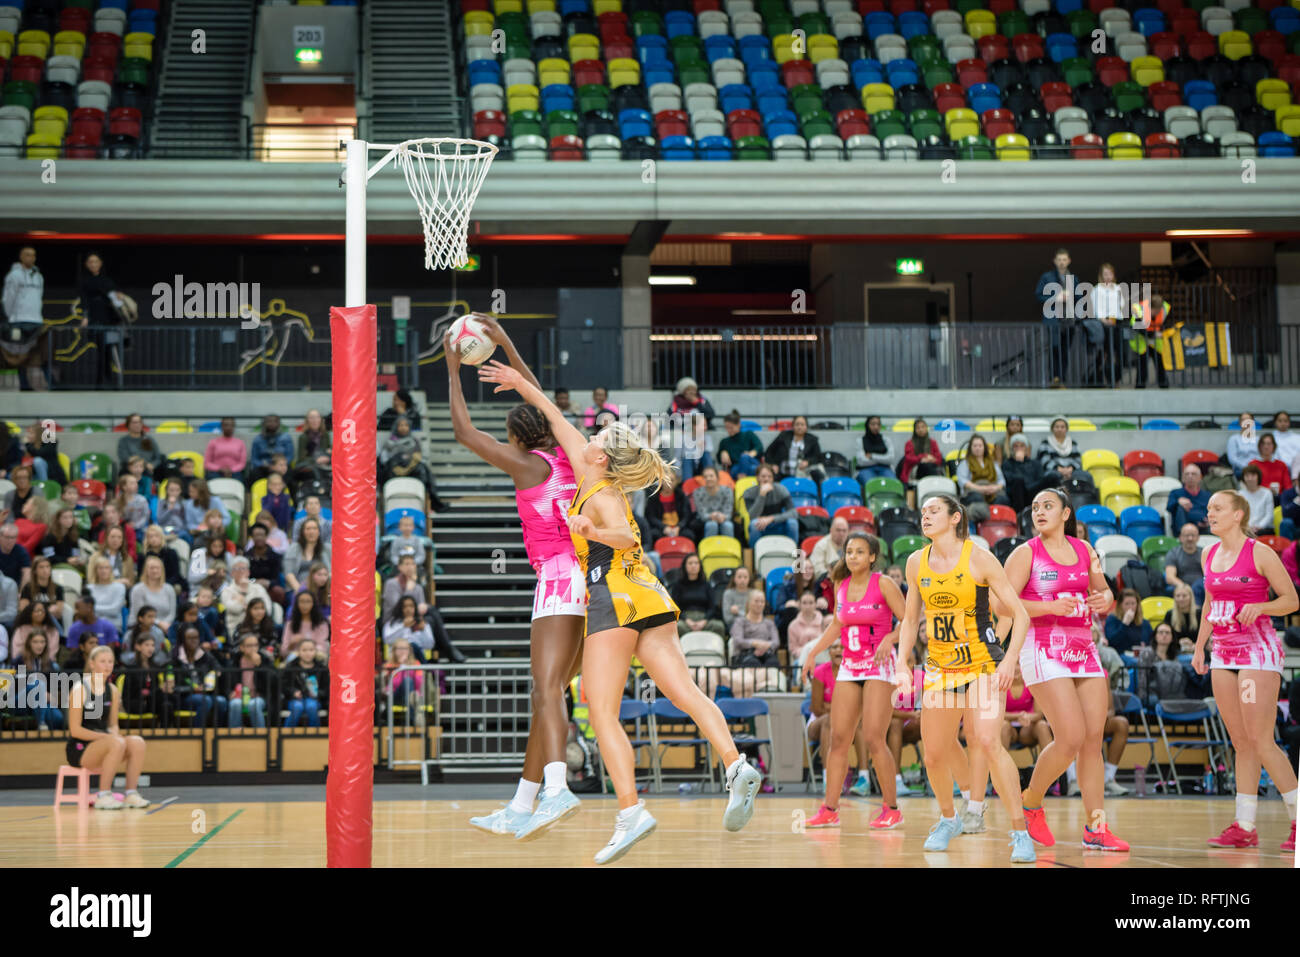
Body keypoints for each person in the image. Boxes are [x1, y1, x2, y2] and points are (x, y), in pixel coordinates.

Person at [479, 358, 763, 864]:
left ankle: (631, 812)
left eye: (600, 435)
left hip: (613, 597)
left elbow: (629, 536)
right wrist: (520, 382)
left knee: (599, 711)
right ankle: (735, 762)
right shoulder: (590, 467)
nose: (588, 433)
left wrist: (590, 532)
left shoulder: (601, 491)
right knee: (686, 692)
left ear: (602, 457)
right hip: (651, 596)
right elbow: (548, 409)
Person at [893, 493, 1036, 862]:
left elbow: (1019, 615)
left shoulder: (980, 558)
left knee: (987, 741)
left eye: (934, 511)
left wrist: (1009, 662)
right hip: (940, 669)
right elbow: (910, 620)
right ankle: (948, 818)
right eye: (922, 512)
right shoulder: (915, 562)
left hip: (983, 665)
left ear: (955, 518)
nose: (925, 516)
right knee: (935, 753)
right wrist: (902, 663)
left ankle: (1020, 832)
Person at [996, 488, 1128, 850]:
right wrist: (1049, 607)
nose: (1039, 512)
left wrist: (1107, 599)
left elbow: (1105, 594)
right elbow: (1001, 602)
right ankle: (1031, 801)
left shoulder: (1085, 550)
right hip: (1040, 646)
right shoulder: (1025, 553)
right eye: (1035, 507)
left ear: (1066, 513)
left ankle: (1096, 828)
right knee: (1069, 737)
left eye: (1048, 506)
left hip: (1083, 646)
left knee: (1091, 742)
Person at [1195, 490, 1299, 852]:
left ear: (1238, 515)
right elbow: (1209, 603)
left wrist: (1262, 606)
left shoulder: (1260, 553)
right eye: (1209, 509)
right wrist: (1198, 646)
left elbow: (1291, 600)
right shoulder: (1209, 553)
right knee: (1240, 742)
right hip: (1223, 653)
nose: (1211, 514)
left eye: (1218, 508)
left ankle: (1298, 821)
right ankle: (1245, 825)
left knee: (1261, 740)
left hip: (1258, 652)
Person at [799, 532, 908, 829]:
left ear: (872, 557)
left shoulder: (884, 583)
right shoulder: (841, 585)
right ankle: (829, 809)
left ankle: (891, 808)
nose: (853, 557)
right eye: (849, 552)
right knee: (838, 738)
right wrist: (814, 654)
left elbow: (910, 621)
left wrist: (890, 637)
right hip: (850, 665)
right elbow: (837, 624)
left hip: (879, 666)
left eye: (860, 552)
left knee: (874, 737)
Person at [65, 645, 151, 808]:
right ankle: (103, 795)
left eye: (110, 661)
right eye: (102, 661)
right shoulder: (80, 689)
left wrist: (113, 735)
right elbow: (75, 730)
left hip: (107, 744)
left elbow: (113, 725)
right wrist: (108, 738)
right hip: (80, 748)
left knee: (137, 742)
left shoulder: (112, 689)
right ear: (91, 664)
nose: (107, 665)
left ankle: (131, 793)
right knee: (116, 742)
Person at [380, 415, 451, 513]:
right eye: (401, 425)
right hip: (394, 471)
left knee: (423, 470)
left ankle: (431, 503)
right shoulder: (389, 443)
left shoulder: (415, 442)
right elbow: (384, 459)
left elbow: (421, 458)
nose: (403, 427)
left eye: (406, 425)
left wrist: (409, 466)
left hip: (413, 470)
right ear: (396, 427)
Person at [2, 246, 48, 390]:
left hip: (36, 320)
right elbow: (8, 298)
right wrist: (12, 317)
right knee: (20, 355)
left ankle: (51, 382)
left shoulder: (39, 276)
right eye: (27, 255)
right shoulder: (14, 275)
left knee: (40, 353)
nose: (31, 258)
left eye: (33, 255)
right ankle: (24, 385)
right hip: (19, 321)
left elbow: (39, 297)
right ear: (21, 257)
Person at [1034, 247, 1077, 387]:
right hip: (1053, 319)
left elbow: (1081, 297)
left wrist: (1072, 297)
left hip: (1069, 319)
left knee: (1065, 350)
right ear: (1055, 261)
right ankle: (1055, 378)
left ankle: (1062, 379)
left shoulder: (1073, 279)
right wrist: (1055, 297)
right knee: (1055, 349)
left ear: (1069, 261)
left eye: (1064, 260)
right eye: (1059, 260)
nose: (1062, 262)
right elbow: (1038, 295)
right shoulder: (1047, 277)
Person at [955, 433, 1010, 526]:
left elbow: (1001, 481)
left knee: (1003, 499)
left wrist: (994, 488)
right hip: (973, 492)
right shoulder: (965, 463)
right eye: (975, 446)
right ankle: (981, 527)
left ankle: (996, 526)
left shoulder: (993, 463)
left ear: (984, 447)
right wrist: (981, 489)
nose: (977, 448)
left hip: (992, 491)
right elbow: (963, 482)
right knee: (978, 498)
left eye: (980, 445)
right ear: (970, 448)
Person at [224, 632, 274, 729]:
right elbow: (226, 682)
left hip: (259, 696)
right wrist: (230, 693)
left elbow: (273, 681)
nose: (253, 648)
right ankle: (234, 735)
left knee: (253, 705)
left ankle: (261, 735)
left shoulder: (264, 659)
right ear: (241, 648)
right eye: (249, 645)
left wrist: (261, 666)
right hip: (240, 696)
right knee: (235, 704)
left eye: (255, 645)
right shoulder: (235, 661)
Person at [1089, 262, 1126, 387]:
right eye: (1105, 274)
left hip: (1116, 323)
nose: (1108, 276)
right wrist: (1104, 319)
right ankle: (1103, 380)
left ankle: (1116, 380)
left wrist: (1115, 317)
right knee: (1105, 353)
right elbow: (1094, 308)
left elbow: (1121, 306)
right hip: (1102, 325)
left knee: (1118, 353)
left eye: (1110, 274)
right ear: (1101, 275)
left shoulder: (1118, 288)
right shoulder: (1096, 289)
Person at [742, 463, 799, 543]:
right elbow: (752, 516)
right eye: (763, 476)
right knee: (754, 524)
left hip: (778, 523)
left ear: (773, 478)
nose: (766, 479)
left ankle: (794, 553)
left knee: (792, 523)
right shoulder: (749, 493)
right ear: (757, 477)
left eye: (769, 476)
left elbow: (794, 513)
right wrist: (762, 495)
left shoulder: (781, 490)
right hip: (761, 525)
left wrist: (771, 518)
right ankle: (754, 553)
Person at [219, 557, 272, 639]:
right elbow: (234, 609)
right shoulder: (227, 591)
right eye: (237, 569)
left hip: (260, 627)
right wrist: (244, 593)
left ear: (248, 572)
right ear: (232, 573)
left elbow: (267, 608)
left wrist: (242, 600)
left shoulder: (258, 588)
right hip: (238, 628)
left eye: (243, 568)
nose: (241, 571)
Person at [670, 554, 724, 635]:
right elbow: (675, 607)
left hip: (704, 618)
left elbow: (712, 607)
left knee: (719, 627)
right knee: (678, 627)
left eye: (696, 563)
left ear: (700, 566)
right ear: (685, 566)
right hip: (685, 620)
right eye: (690, 563)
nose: (693, 566)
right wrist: (687, 620)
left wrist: (704, 621)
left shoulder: (707, 585)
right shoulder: (678, 586)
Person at [282, 637, 328, 728]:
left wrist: (317, 694)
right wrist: (293, 692)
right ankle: (286, 735)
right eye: (304, 650)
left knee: (311, 706)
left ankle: (314, 736)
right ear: (298, 651)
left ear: (315, 651)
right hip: (294, 699)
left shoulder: (322, 668)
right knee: (297, 707)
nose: (308, 653)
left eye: (311, 650)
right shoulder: (290, 667)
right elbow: (283, 685)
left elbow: (326, 688)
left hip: (315, 699)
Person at [1129, 291, 1171, 389]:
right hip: (1142, 341)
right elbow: (1136, 327)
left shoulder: (1165, 308)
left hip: (1155, 342)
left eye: (1158, 311)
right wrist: (1153, 334)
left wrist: (1164, 332)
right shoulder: (1139, 309)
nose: (1156, 313)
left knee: (1160, 364)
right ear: (1150, 307)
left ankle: (1164, 386)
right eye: (1154, 311)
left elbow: (1167, 323)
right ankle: (1140, 387)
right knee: (1142, 366)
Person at [729, 589, 780, 667]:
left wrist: (765, 645)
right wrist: (754, 643)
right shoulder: (740, 622)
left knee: (773, 663)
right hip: (744, 655)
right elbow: (738, 641)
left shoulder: (769, 623)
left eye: (762, 601)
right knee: (753, 664)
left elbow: (776, 642)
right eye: (756, 601)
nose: (759, 604)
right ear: (749, 603)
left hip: (766, 653)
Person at [644, 469, 695, 544]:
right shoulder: (654, 497)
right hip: (661, 528)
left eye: (672, 480)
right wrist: (664, 527)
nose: (669, 483)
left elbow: (686, 516)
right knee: (653, 535)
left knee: (689, 535)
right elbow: (651, 517)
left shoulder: (681, 496)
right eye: (666, 480)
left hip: (678, 528)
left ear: (677, 481)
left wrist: (679, 527)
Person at [128, 555, 176, 630]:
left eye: (157, 568)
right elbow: (140, 613)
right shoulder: (138, 589)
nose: (155, 571)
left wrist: (165, 624)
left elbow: (172, 614)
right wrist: (159, 623)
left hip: (166, 627)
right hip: (141, 627)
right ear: (146, 570)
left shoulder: (169, 589)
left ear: (162, 570)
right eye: (151, 568)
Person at [244, 522, 285, 606]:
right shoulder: (247, 556)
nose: (259, 538)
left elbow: (277, 578)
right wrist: (255, 582)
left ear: (266, 536)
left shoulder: (274, 556)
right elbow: (244, 577)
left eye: (262, 535)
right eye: (256, 535)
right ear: (252, 537)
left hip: (269, 586)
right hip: (251, 586)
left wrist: (268, 582)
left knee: (278, 591)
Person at [136, 524, 184, 595]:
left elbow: (176, 574)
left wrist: (162, 585)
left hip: (168, 583)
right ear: (147, 539)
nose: (154, 539)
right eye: (151, 536)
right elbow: (141, 575)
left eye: (156, 536)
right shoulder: (142, 556)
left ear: (161, 537)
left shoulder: (171, 553)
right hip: (148, 584)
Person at [281, 589, 329, 660]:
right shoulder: (290, 624)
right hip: (295, 660)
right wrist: (292, 644)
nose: (305, 605)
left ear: (313, 604)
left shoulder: (321, 624)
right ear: (297, 604)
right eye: (302, 602)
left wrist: (307, 650)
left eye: (308, 602)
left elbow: (322, 647)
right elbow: (283, 652)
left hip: (315, 659)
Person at [284, 517, 329, 593]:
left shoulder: (327, 549)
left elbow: (330, 572)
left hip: (322, 589)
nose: (311, 532)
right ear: (302, 532)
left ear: (319, 532)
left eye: (314, 528)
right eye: (308, 529)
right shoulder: (294, 548)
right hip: (298, 589)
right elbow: (289, 573)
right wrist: (300, 591)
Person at [689, 465, 734, 540]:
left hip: (724, 518)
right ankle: (708, 550)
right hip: (704, 520)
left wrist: (722, 517)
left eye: (711, 476)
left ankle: (730, 550)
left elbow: (728, 512)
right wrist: (712, 516)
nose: (708, 479)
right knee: (712, 525)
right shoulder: (697, 492)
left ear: (717, 478)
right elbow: (702, 514)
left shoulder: (727, 491)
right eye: (705, 477)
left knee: (728, 525)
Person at [1164, 522, 1206, 602]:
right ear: (1180, 537)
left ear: (1198, 538)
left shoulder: (1204, 553)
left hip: (1201, 587)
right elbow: (1169, 577)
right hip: (1181, 586)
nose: (1190, 538)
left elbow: (1208, 575)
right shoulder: (1173, 553)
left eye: (1193, 535)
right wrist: (1184, 587)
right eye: (1187, 535)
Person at [716, 411, 764, 479]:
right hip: (736, 466)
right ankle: (743, 478)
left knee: (745, 458)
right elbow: (718, 459)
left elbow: (759, 447)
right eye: (727, 427)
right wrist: (722, 453)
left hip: (751, 462)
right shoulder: (724, 442)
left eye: (731, 427)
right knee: (749, 469)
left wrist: (750, 454)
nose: (729, 430)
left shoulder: (748, 435)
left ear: (738, 425)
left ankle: (742, 479)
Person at [248, 415, 295, 485]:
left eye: (275, 421)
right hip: (264, 467)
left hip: (281, 466)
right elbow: (254, 459)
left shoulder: (286, 437)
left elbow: (290, 456)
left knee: (290, 473)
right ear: (264, 424)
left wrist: (280, 465)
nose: (272, 423)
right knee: (253, 473)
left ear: (279, 423)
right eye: (269, 421)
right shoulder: (258, 439)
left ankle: (287, 495)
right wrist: (265, 465)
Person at [10, 600, 60, 665]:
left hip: (46, 662)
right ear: (30, 613)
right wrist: (29, 659)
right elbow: (17, 650)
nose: (40, 613)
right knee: (21, 674)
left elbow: (52, 651)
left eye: (42, 611)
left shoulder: (52, 630)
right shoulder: (21, 629)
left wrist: (41, 661)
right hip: (24, 662)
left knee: (55, 669)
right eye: (37, 611)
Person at [1104, 588, 1151, 654]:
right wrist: (1125, 624)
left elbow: (1149, 642)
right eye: (1127, 604)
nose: (1130, 607)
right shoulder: (1112, 619)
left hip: (1141, 656)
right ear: (1120, 605)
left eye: (1133, 603)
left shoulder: (1144, 623)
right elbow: (1112, 641)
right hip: (1120, 655)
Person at [786, 589, 826, 665]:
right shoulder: (792, 626)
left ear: (815, 604)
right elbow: (793, 649)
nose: (808, 606)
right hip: (801, 659)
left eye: (811, 603)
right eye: (804, 603)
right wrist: (806, 652)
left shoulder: (824, 622)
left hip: (822, 657)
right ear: (799, 605)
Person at [898, 418, 943, 485]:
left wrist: (931, 460)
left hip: (930, 467)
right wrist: (923, 458)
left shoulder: (932, 442)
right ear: (914, 430)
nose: (921, 430)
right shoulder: (909, 443)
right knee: (926, 466)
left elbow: (939, 459)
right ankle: (936, 484)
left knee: (929, 466)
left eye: (923, 427)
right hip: (915, 470)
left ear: (926, 428)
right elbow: (909, 459)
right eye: (918, 428)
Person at [85, 555, 128, 625]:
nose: (103, 571)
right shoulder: (89, 588)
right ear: (96, 570)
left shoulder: (120, 588)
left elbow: (115, 610)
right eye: (100, 568)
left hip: (113, 625)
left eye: (106, 568)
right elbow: (85, 609)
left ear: (111, 570)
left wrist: (93, 608)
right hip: (92, 625)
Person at [116, 414, 163, 478]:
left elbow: (158, 458)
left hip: (148, 470)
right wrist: (144, 465)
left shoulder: (149, 439)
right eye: (134, 422)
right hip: (131, 470)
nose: (137, 424)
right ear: (128, 425)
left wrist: (152, 465)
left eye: (139, 422)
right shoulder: (124, 441)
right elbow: (125, 457)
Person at [1248, 433, 1292, 499]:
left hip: (1278, 499)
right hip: (1259, 498)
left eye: (1269, 444)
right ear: (1259, 446)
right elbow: (1250, 485)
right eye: (1263, 444)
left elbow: (1288, 486)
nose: (1266, 447)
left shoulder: (1281, 465)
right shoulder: (1253, 464)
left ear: (1274, 446)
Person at [202, 416, 246, 481]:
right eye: (226, 425)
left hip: (234, 472)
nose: (228, 427)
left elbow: (242, 463)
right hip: (216, 472)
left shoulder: (240, 443)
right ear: (221, 426)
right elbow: (207, 463)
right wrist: (220, 469)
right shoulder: (213, 442)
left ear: (234, 427)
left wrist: (231, 470)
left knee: (239, 479)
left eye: (231, 425)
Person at [1239, 464, 1275, 535]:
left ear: (1258, 477)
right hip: (1246, 528)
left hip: (1264, 528)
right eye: (1247, 476)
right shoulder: (1240, 494)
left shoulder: (1267, 493)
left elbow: (1269, 515)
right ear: (1243, 478)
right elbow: (1239, 514)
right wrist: (1247, 527)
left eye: (1253, 475)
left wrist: (1259, 526)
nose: (1250, 478)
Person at [856, 415, 894, 483]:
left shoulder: (886, 440)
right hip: (866, 469)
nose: (876, 427)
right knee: (871, 483)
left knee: (892, 482)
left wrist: (872, 456)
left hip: (885, 469)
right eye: (873, 424)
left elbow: (890, 459)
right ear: (867, 425)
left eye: (878, 424)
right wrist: (882, 459)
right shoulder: (860, 441)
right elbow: (861, 461)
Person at [1164, 583, 1201, 649]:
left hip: (1196, 650)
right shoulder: (1169, 614)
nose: (1181, 599)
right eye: (1178, 596)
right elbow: (1165, 637)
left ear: (1191, 597)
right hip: (1176, 651)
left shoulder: (1199, 613)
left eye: (1184, 596)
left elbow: (1206, 636)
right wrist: (1178, 642)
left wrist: (1196, 646)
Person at [1226, 412, 1260, 477]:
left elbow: (1262, 455)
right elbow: (1232, 459)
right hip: (1240, 469)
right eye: (1243, 420)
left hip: (1257, 468)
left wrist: (1255, 466)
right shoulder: (1234, 439)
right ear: (1239, 423)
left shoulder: (1259, 439)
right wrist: (1247, 467)